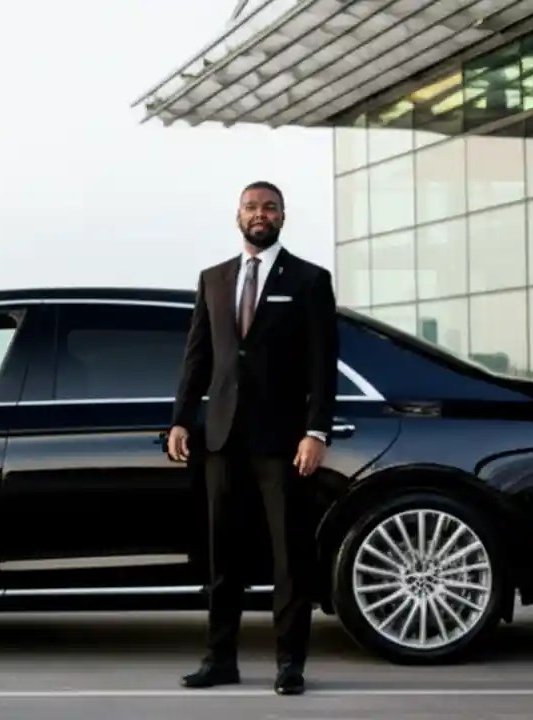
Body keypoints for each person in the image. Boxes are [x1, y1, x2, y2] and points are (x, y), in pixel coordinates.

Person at [167, 180, 338, 696]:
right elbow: (198, 356)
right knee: (224, 557)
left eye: (269, 207)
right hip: (222, 439)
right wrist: (180, 419)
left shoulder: (310, 280)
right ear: (237, 215)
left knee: (289, 558)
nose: (259, 214)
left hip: (284, 442)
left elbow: (322, 363)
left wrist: (316, 430)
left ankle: (290, 665)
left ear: (282, 216)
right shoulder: (213, 279)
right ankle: (220, 660)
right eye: (251, 207)